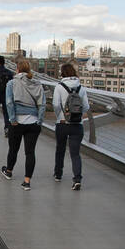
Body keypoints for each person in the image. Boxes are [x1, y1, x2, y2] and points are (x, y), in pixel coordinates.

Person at [2, 59, 45, 191]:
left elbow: (9, 102)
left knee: (13, 149)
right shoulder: (37, 83)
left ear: (18, 70)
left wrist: (12, 119)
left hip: (17, 122)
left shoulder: (12, 83)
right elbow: (42, 104)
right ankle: (27, 181)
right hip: (33, 122)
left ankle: (8, 171)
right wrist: (39, 121)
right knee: (30, 152)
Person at [51, 62, 91, 190]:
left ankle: (58, 174)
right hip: (77, 125)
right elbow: (86, 106)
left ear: (62, 73)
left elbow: (56, 105)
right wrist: (78, 115)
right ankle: (77, 179)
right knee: (75, 153)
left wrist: (60, 116)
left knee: (60, 149)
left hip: (62, 124)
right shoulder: (81, 88)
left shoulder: (59, 87)